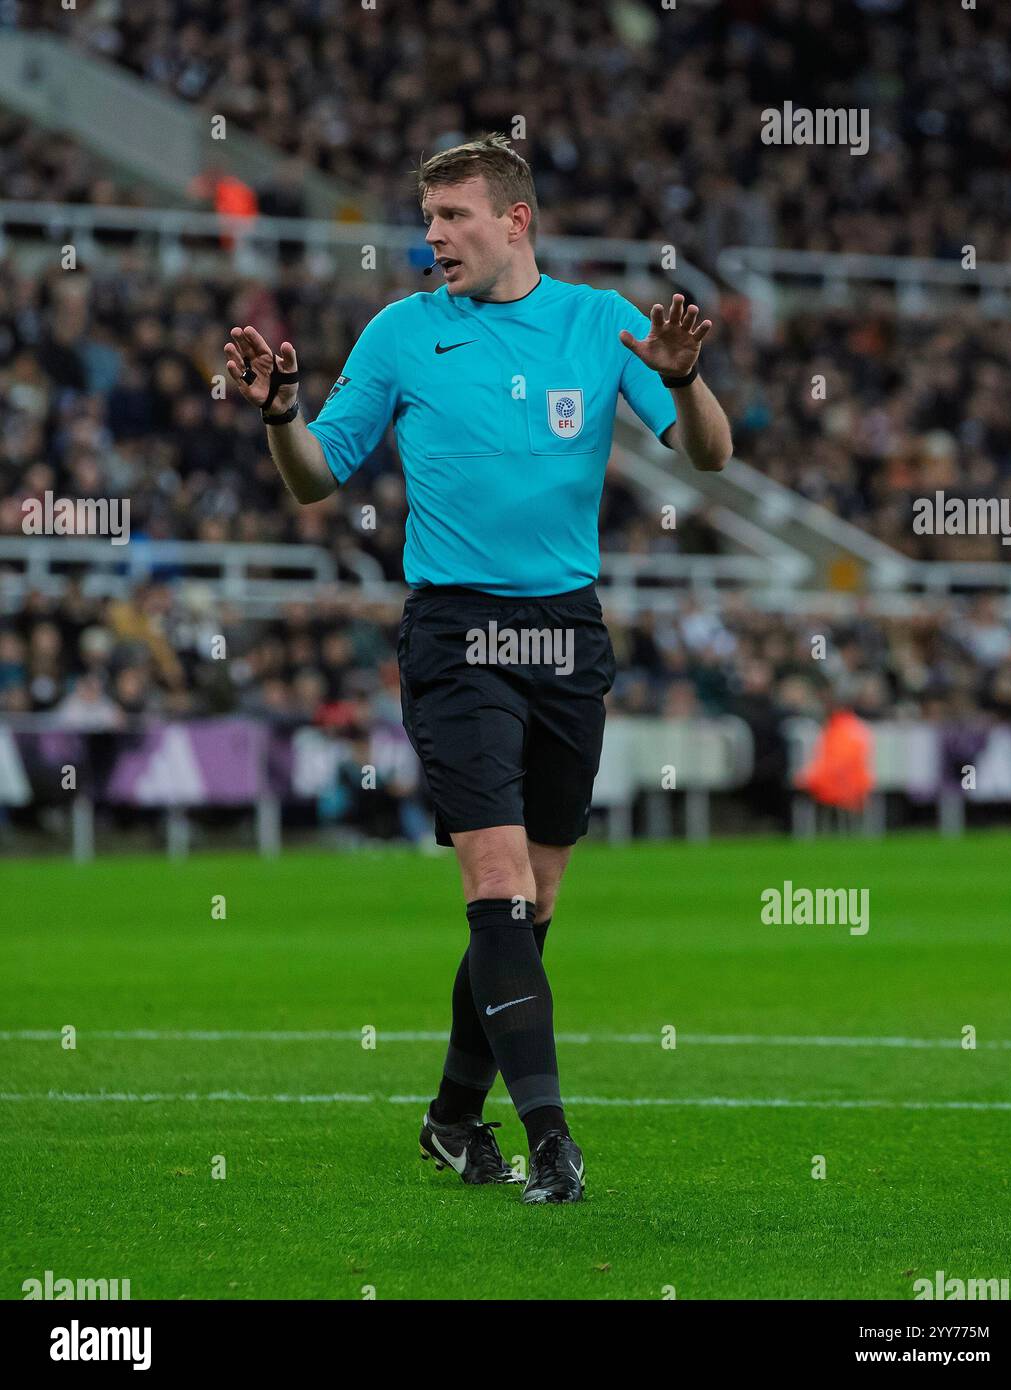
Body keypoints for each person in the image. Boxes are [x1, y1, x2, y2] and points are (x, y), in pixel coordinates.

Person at [224, 133, 731, 1204]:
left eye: (454, 215)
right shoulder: (401, 333)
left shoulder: (598, 323)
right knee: (493, 881)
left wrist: (685, 388)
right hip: (456, 636)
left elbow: (711, 454)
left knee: (534, 903)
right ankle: (550, 1138)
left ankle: (452, 1119)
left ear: (516, 220)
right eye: (428, 217)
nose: (433, 236)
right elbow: (317, 477)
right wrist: (278, 417)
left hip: (565, 634)